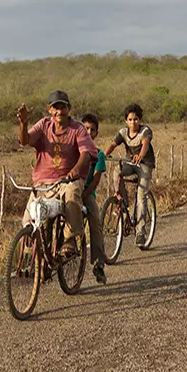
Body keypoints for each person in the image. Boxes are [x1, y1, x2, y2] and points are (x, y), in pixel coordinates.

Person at [17, 90, 98, 257]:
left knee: (72, 194)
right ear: (49, 110)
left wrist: (75, 170)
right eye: (56, 108)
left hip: (68, 181)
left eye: (63, 107)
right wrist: (24, 123)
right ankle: (35, 257)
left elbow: (86, 153)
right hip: (43, 182)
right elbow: (25, 141)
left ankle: (70, 239)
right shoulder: (44, 125)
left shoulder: (78, 128)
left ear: (69, 108)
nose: (59, 111)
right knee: (29, 219)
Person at [104, 103, 154, 247]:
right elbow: (113, 145)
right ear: (126, 121)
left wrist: (140, 155)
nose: (133, 122)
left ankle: (140, 232)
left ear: (140, 119)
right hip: (130, 163)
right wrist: (103, 156)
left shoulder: (145, 131)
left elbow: (145, 144)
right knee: (117, 171)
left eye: (136, 119)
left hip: (145, 165)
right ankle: (122, 200)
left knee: (141, 195)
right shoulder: (123, 132)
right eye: (130, 119)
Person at [80, 113, 108, 284]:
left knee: (95, 223)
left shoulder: (99, 154)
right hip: (70, 190)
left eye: (92, 130)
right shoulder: (73, 150)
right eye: (86, 129)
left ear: (96, 133)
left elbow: (95, 181)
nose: (89, 132)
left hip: (87, 193)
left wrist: (81, 195)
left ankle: (99, 264)